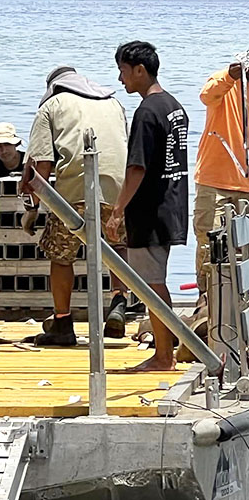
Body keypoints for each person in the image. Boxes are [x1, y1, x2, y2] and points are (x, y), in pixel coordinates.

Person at [19, 66, 130, 345]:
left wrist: (32, 208)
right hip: (119, 190)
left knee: (61, 255)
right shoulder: (113, 103)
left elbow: (40, 164)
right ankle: (119, 302)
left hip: (75, 191)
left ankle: (62, 322)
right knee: (117, 245)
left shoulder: (52, 105)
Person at [107, 41, 188, 372]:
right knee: (155, 281)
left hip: (150, 211)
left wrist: (116, 211)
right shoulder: (174, 106)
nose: (120, 78)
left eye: (124, 72)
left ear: (140, 71)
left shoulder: (147, 112)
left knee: (151, 285)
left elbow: (137, 168)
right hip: (172, 205)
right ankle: (168, 349)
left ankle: (164, 356)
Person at [193, 61, 249, 302]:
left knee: (244, 253)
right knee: (209, 246)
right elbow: (206, 96)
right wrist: (230, 76)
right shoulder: (223, 81)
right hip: (213, 181)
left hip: (245, 186)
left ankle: (240, 305)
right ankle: (205, 301)